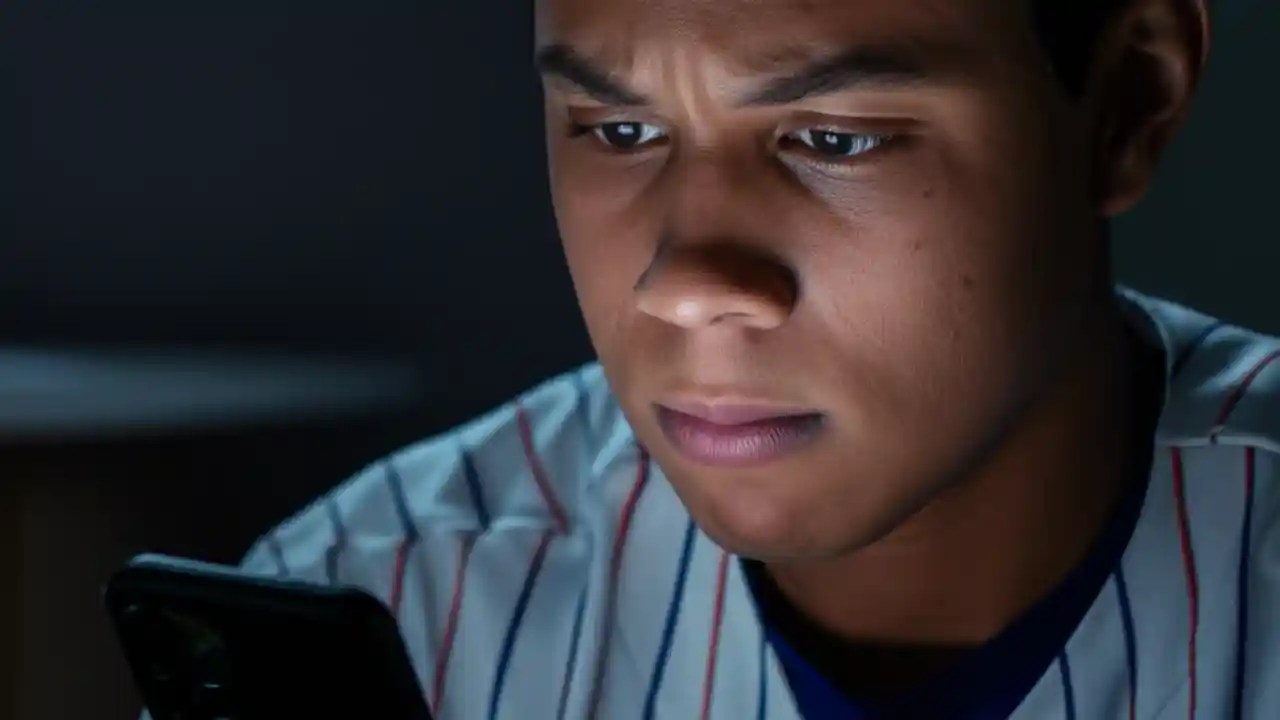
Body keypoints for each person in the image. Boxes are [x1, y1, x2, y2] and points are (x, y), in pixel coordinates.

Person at [241, 0, 1279, 717]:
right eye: (618, 130)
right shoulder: (375, 601)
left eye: (833, 139)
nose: (687, 283)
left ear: (1127, 104)